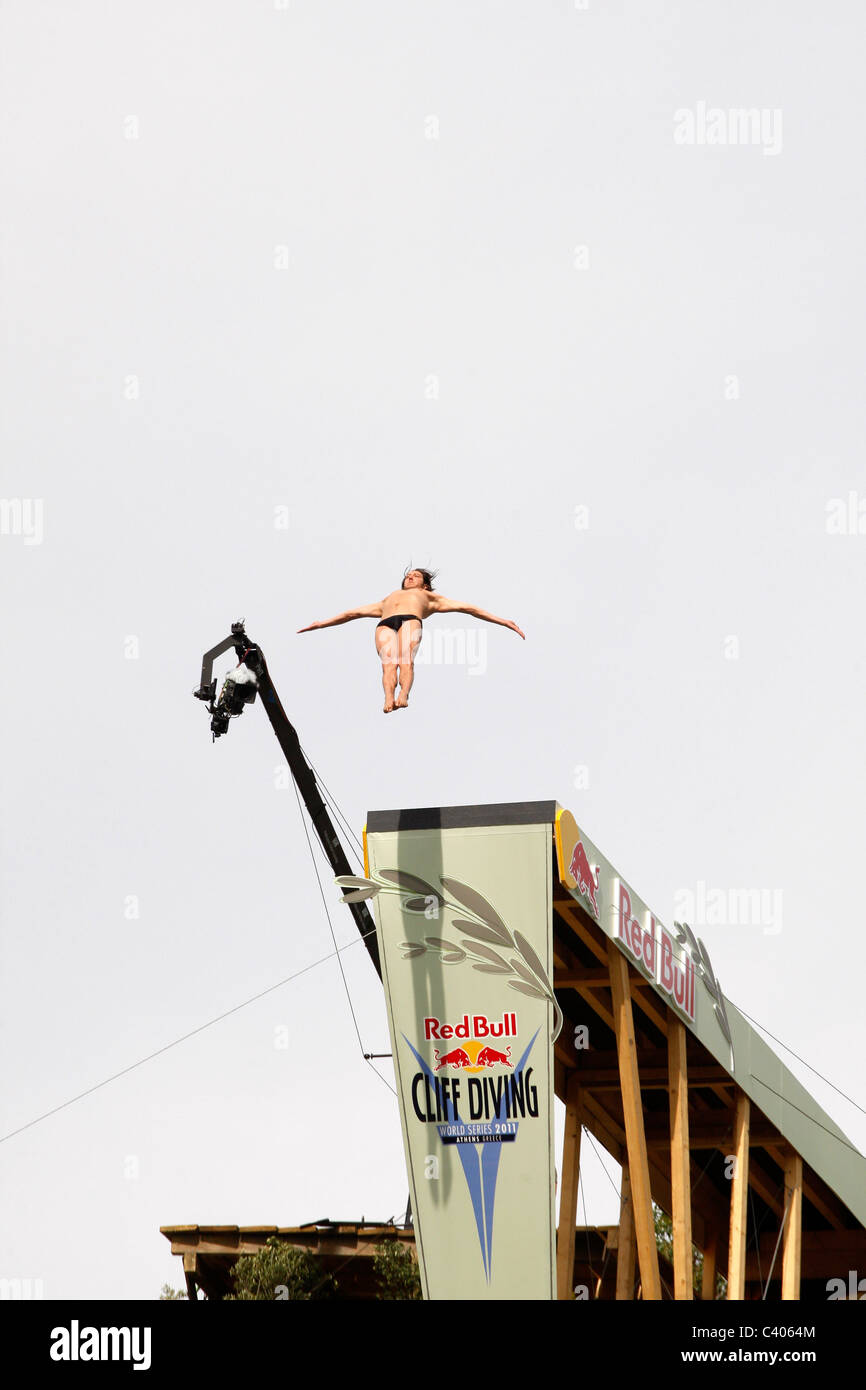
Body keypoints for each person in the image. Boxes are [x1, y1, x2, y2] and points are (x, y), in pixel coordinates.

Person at [297, 567, 525, 712]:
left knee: (405, 659)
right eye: (407, 575)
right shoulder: (388, 598)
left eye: (415, 575)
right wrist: (321, 623)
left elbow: (469, 608)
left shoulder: (430, 597)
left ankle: (403, 695)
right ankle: (388, 699)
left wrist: (504, 621)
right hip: (385, 622)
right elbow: (351, 614)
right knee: (388, 665)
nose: (409, 577)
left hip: (410, 619)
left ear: (424, 584)